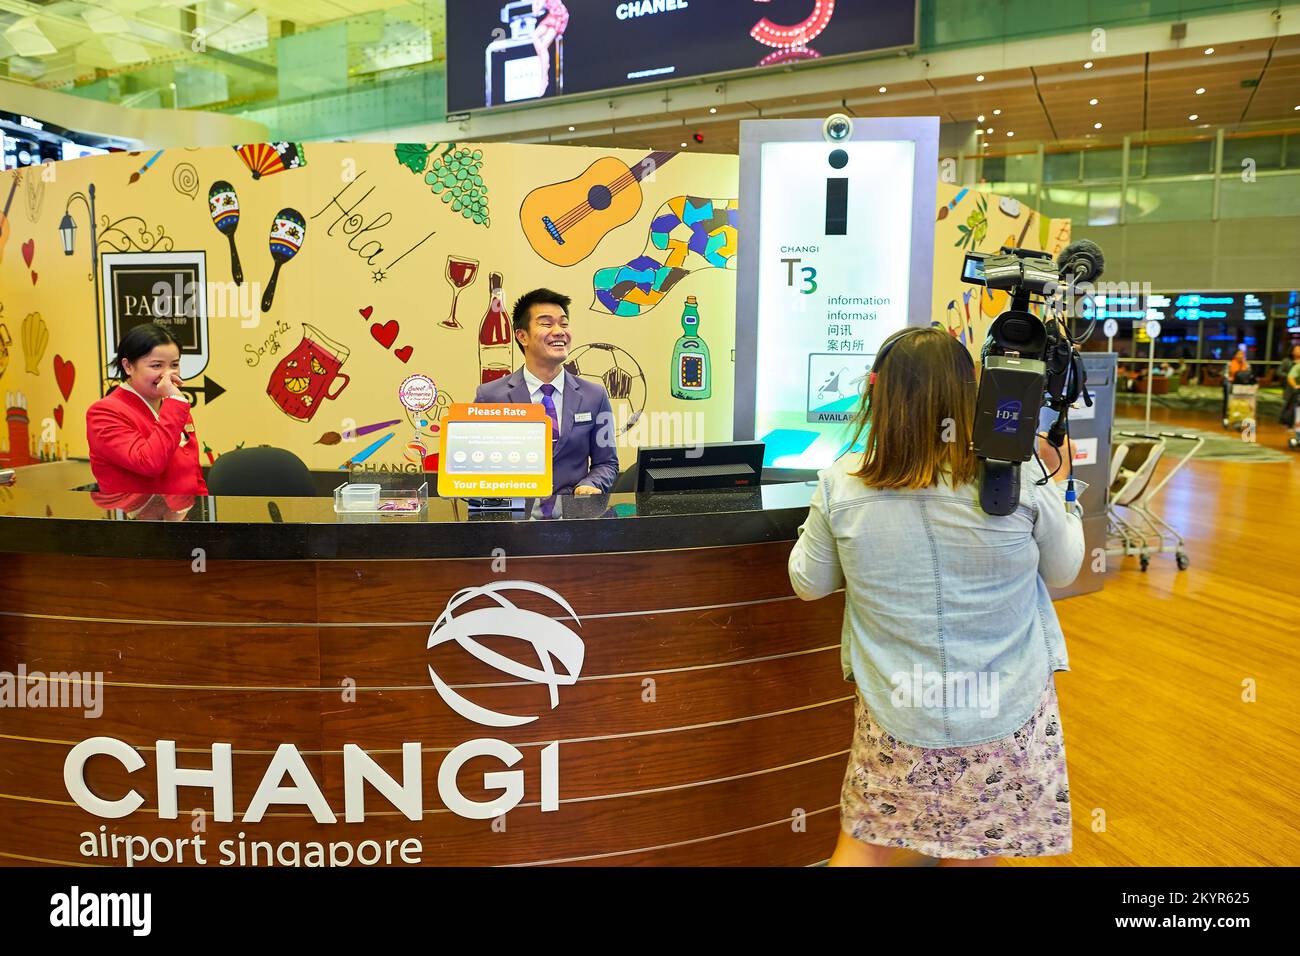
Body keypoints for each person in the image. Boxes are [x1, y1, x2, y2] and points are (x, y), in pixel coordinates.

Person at [788, 326, 1084, 866]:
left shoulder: (841, 484)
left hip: (896, 711)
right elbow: (1065, 571)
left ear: (877, 394)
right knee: (976, 850)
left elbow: (809, 584)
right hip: (1005, 710)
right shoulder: (1017, 480)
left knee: (867, 846)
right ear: (973, 395)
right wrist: (1064, 481)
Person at [474, 288, 618, 498]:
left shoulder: (594, 396)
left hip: (573, 516)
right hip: (514, 519)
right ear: (522, 336)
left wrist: (590, 483)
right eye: (546, 323)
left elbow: (606, 462)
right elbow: (475, 465)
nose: (559, 331)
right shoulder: (491, 396)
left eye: (564, 323)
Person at [87, 324, 208, 496]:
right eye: (156, 366)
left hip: (186, 518)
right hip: (139, 520)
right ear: (128, 366)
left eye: (174, 364)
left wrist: (203, 516)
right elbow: (149, 463)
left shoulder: (174, 406)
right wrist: (175, 402)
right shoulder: (104, 412)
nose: (168, 374)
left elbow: (194, 475)